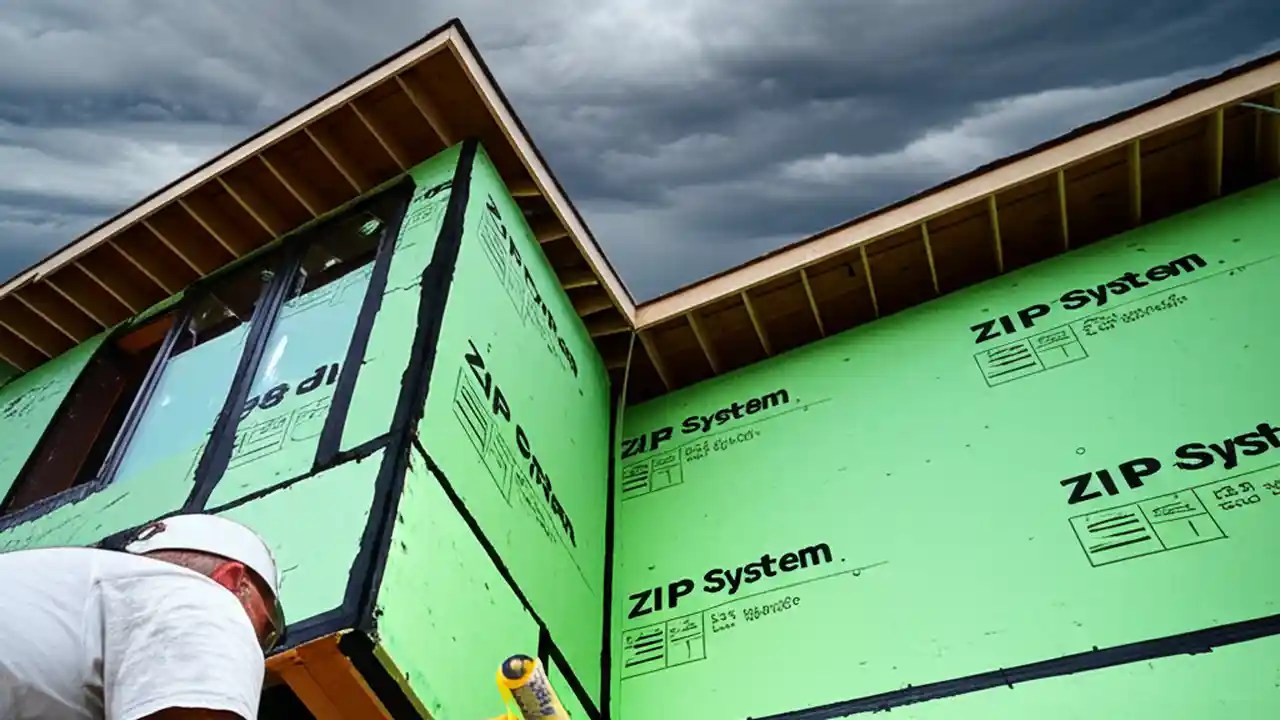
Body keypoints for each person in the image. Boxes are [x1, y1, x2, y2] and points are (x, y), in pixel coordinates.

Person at [0, 513, 285, 719]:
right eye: (266, 629)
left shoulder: (60, 589)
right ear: (233, 581)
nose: (257, 647)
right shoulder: (204, 600)